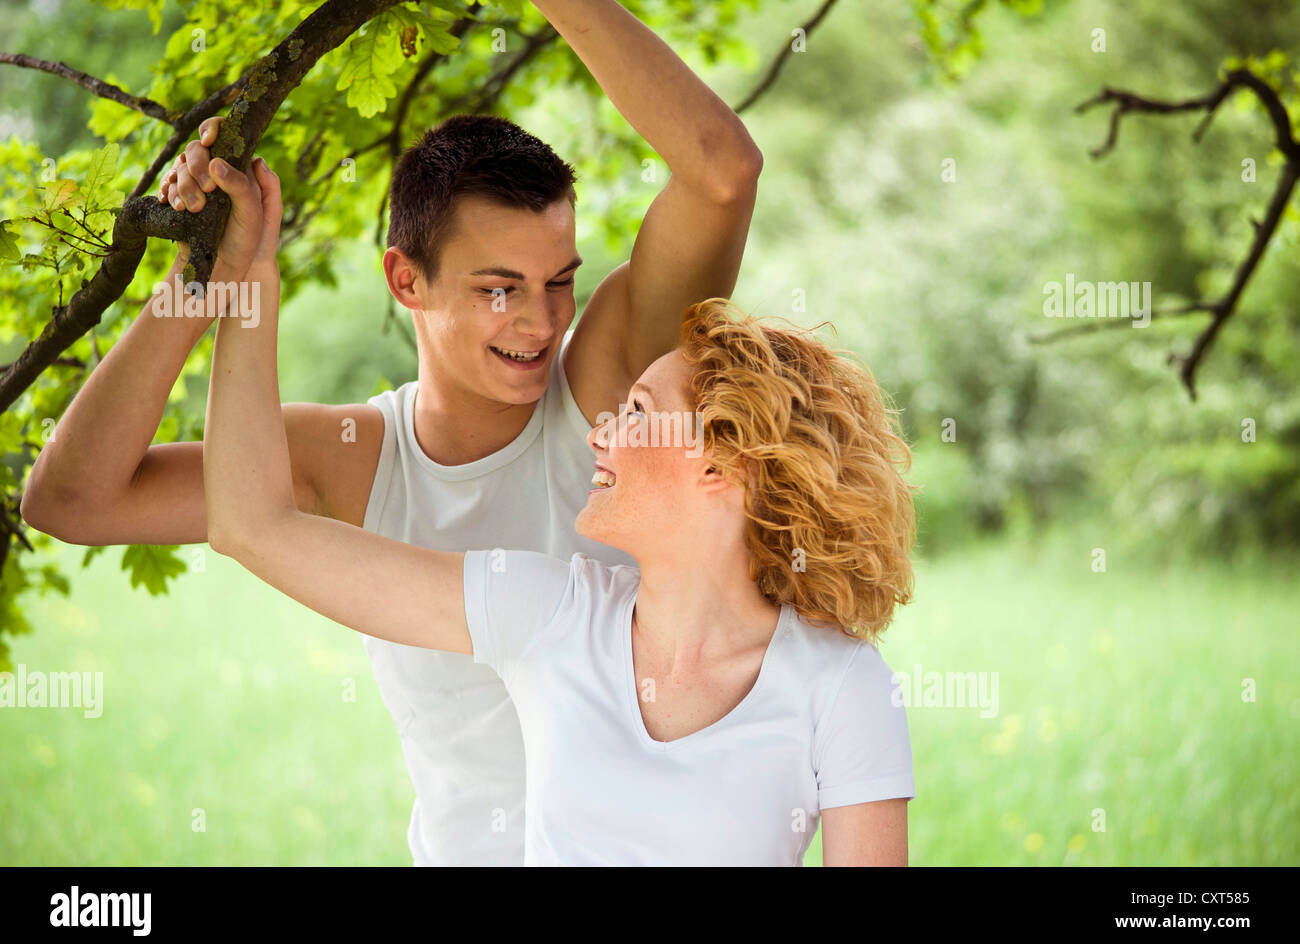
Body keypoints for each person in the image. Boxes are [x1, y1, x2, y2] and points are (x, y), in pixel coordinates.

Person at [21, 0, 762, 865]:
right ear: (405, 281)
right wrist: (209, 272)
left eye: (557, 280)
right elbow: (71, 500)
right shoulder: (352, 461)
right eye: (498, 288)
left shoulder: (609, 384)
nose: (539, 321)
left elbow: (722, 172)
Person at [203, 155, 918, 866]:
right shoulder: (548, 614)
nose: (601, 430)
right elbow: (250, 527)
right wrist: (247, 281)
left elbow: (724, 166)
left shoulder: (841, 685)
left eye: (637, 411)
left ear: (723, 461)